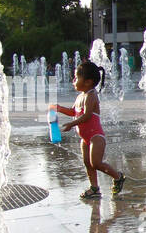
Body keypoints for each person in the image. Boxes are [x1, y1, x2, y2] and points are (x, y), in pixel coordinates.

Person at [49, 61, 124, 199]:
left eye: (76, 78)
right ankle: (94, 188)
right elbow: (73, 112)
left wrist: (72, 125)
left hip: (96, 136)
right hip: (85, 138)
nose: (73, 80)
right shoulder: (80, 97)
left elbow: (87, 115)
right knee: (88, 163)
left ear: (88, 82)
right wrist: (59, 108)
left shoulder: (91, 95)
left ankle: (117, 176)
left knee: (96, 163)